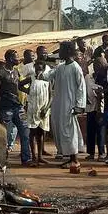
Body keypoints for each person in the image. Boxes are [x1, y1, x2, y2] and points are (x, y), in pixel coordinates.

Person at [43, 41, 86, 169]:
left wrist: (79, 105)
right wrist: (38, 71)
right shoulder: (60, 67)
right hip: (58, 104)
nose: (59, 53)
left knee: (69, 131)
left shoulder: (75, 67)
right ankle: (68, 157)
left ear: (67, 51)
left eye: (60, 50)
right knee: (60, 130)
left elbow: (81, 87)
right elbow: (48, 76)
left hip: (70, 105)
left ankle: (75, 160)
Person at [0, 49, 31, 165]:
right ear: (10, 59)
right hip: (6, 108)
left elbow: (18, 86)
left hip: (18, 106)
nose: (18, 59)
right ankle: (2, 160)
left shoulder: (16, 72)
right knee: (3, 135)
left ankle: (26, 159)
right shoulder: (0, 73)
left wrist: (30, 90)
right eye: (16, 57)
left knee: (25, 132)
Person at [20, 61, 51, 166]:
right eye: (36, 69)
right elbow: (20, 85)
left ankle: (40, 157)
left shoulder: (47, 79)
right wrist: (28, 91)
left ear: (43, 69)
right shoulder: (31, 78)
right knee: (32, 133)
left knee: (41, 132)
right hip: (33, 108)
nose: (38, 71)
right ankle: (33, 156)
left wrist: (46, 109)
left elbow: (51, 96)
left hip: (43, 109)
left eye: (40, 69)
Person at [85, 59, 105, 161]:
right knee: (90, 131)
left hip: (101, 108)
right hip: (90, 107)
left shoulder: (104, 78)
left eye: (100, 65)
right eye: (96, 65)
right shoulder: (88, 77)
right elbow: (84, 89)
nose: (98, 68)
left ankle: (101, 153)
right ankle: (91, 153)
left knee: (100, 131)